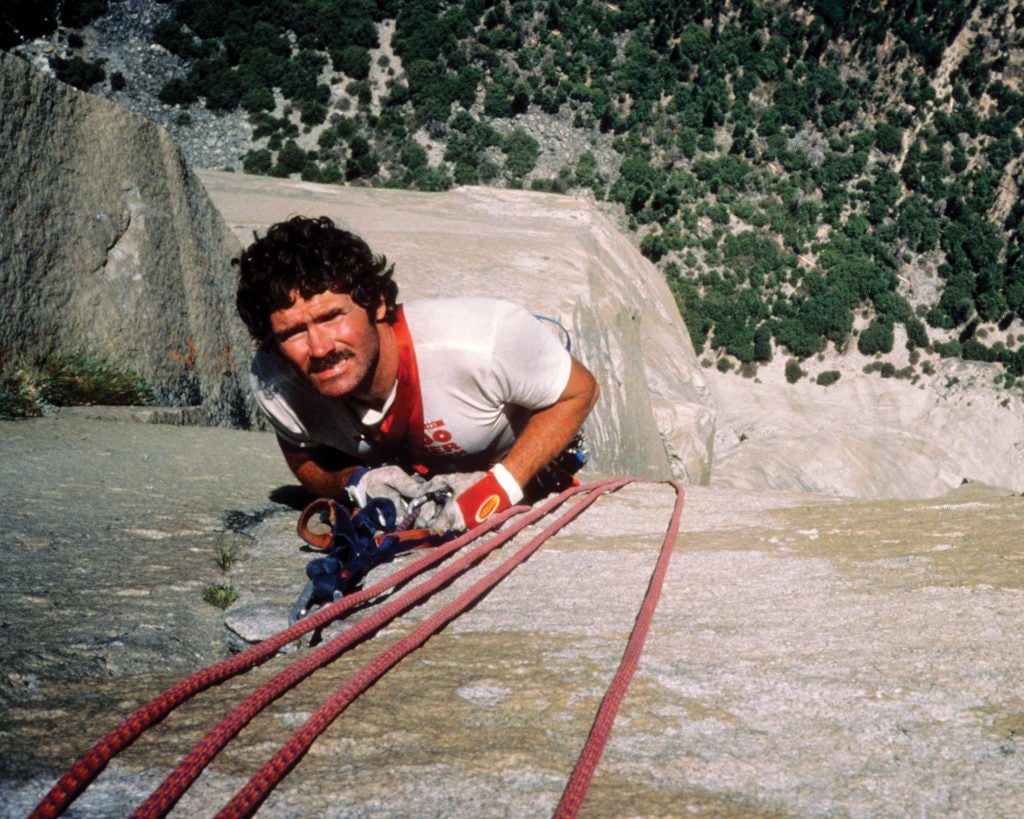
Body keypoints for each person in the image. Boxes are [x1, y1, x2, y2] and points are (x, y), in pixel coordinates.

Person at [235, 215, 599, 533]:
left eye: (332, 317)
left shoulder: (484, 338)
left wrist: (501, 485)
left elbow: (580, 390)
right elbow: (303, 460)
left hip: (512, 464)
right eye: (292, 333)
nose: (319, 348)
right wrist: (354, 482)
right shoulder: (276, 383)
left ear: (377, 303)